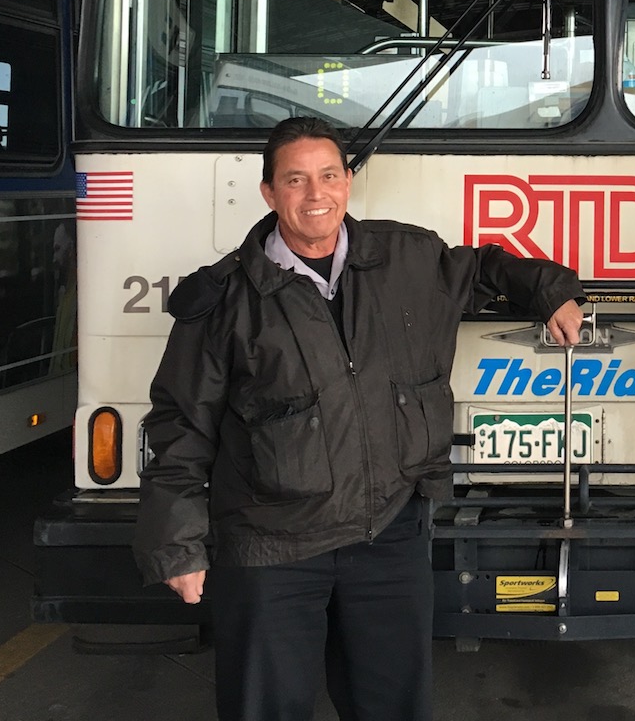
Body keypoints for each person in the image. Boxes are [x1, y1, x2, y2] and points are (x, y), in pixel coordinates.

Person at [133, 116, 585, 721]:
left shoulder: (408, 257)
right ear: (269, 193)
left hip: (388, 533)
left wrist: (553, 289)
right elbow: (181, 425)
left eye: (328, 175)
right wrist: (179, 545)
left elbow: (485, 268)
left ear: (348, 182)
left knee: (393, 707)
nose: (315, 194)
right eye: (295, 180)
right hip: (272, 545)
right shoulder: (224, 300)